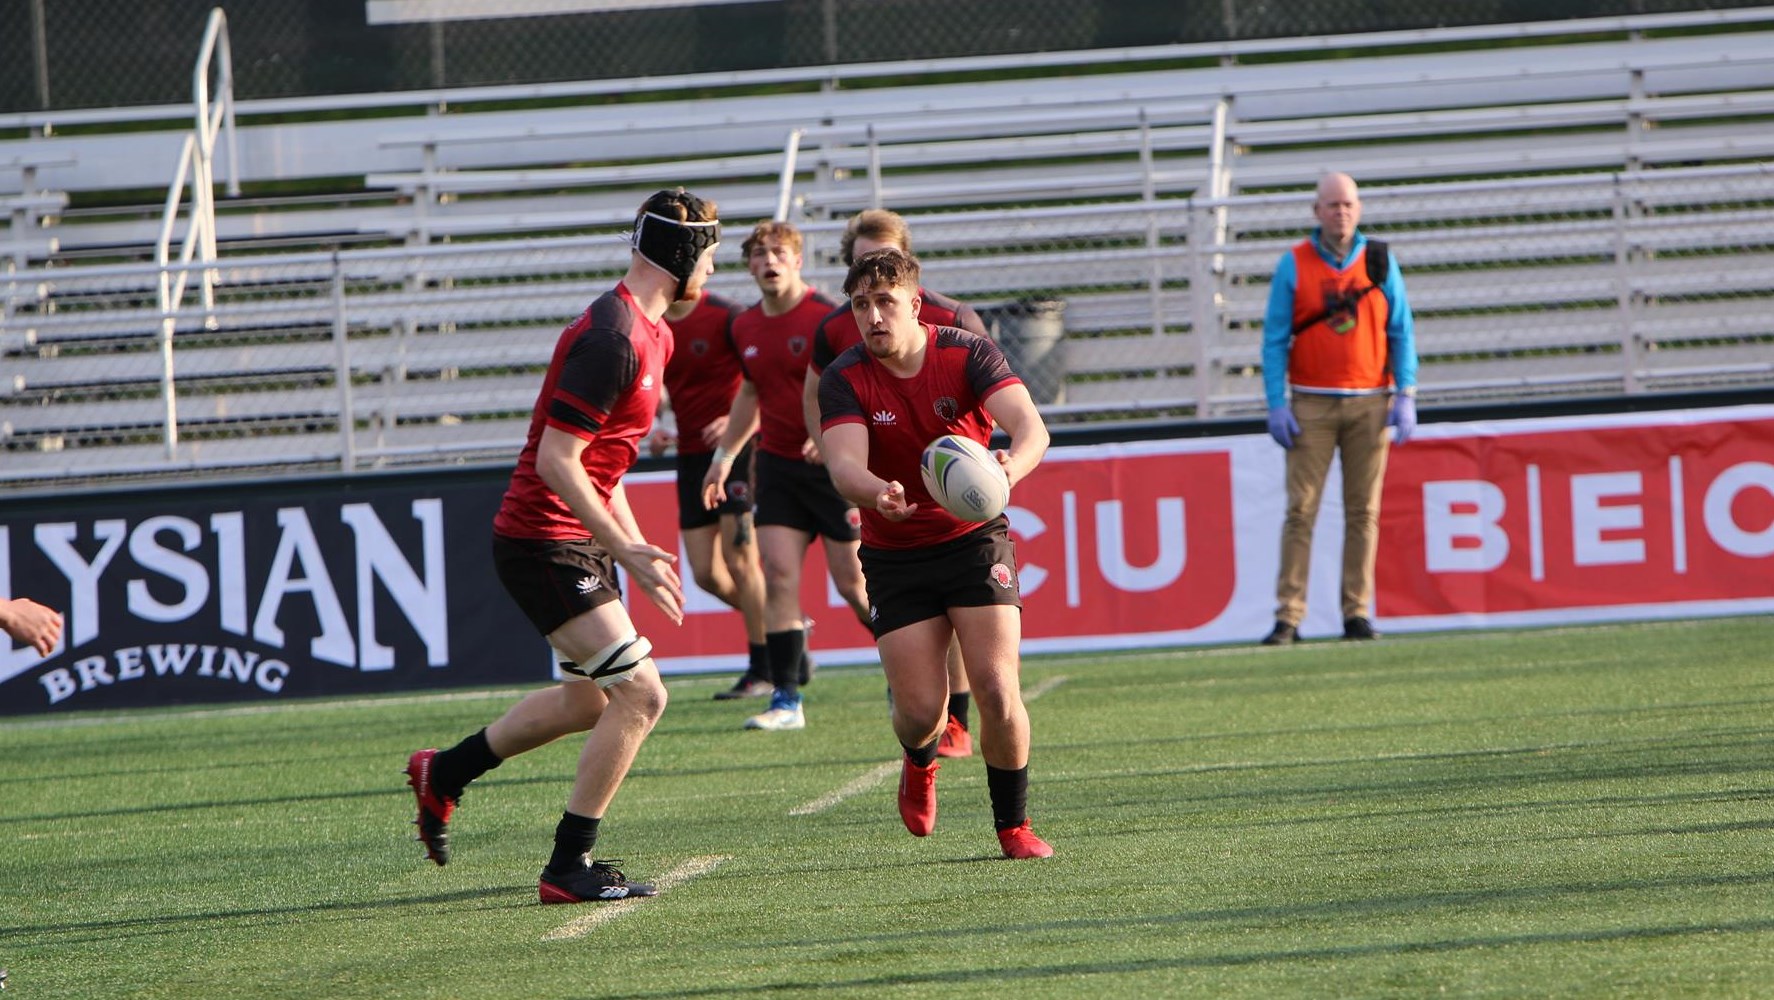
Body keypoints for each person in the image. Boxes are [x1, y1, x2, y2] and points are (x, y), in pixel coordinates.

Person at [405, 188, 719, 904]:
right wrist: (624, 548)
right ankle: (567, 868)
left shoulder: (655, 331)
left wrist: (634, 549)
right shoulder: (613, 336)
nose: (712, 266)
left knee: (588, 703)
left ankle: (444, 773)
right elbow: (557, 460)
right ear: (680, 253)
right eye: (707, 251)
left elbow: (604, 462)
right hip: (544, 540)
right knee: (641, 696)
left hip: (577, 538)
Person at [818, 246, 1055, 859]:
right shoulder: (845, 375)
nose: (872, 316)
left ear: (915, 305)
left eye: (885, 303)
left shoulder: (965, 351)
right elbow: (843, 466)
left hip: (974, 540)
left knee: (999, 689)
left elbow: (1032, 431)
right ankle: (919, 761)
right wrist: (879, 493)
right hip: (895, 552)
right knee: (921, 712)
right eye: (861, 304)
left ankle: (1014, 826)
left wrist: (1010, 468)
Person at [801, 208, 990, 758]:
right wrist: (836, 452)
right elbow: (816, 394)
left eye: (882, 261)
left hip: (958, 517)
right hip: (877, 500)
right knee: (913, 688)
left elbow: (995, 397)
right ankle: (917, 694)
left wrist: (984, 459)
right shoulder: (838, 331)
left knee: (975, 641)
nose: (873, 294)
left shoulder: (955, 321)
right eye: (861, 266)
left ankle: (956, 717)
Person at [702, 221, 865, 732]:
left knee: (856, 586)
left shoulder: (827, 318)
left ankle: (911, 666)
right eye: (758, 254)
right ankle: (786, 699)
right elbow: (750, 392)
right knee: (777, 578)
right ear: (749, 265)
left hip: (832, 469)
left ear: (797, 260)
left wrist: (831, 438)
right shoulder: (744, 325)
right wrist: (726, 455)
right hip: (776, 466)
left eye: (779, 252)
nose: (768, 261)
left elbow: (859, 382)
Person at [1259, 171, 1417, 646]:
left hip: (1371, 400)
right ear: (1317, 211)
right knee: (1301, 511)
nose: (1340, 212)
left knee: (1363, 511)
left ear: (1359, 209)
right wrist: (1275, 401)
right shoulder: (1295, 263)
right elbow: (1274, 338)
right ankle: (1289, 615)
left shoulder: (1379, 259)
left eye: (1347, 204)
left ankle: (1357, 612)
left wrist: (1406, 392)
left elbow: (1401, 329)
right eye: (1332, 205)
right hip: (1311, 402)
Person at [656, 289, 773, 700]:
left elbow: (759, 376)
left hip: (734, 451)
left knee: (741, 560)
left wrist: (731, 420)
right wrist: (655, 425)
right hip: (688, 453)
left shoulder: (727, 315)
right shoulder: (652, 319)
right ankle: (782, 628)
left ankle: (765, 666)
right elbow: (655, 384)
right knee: (705, 574)